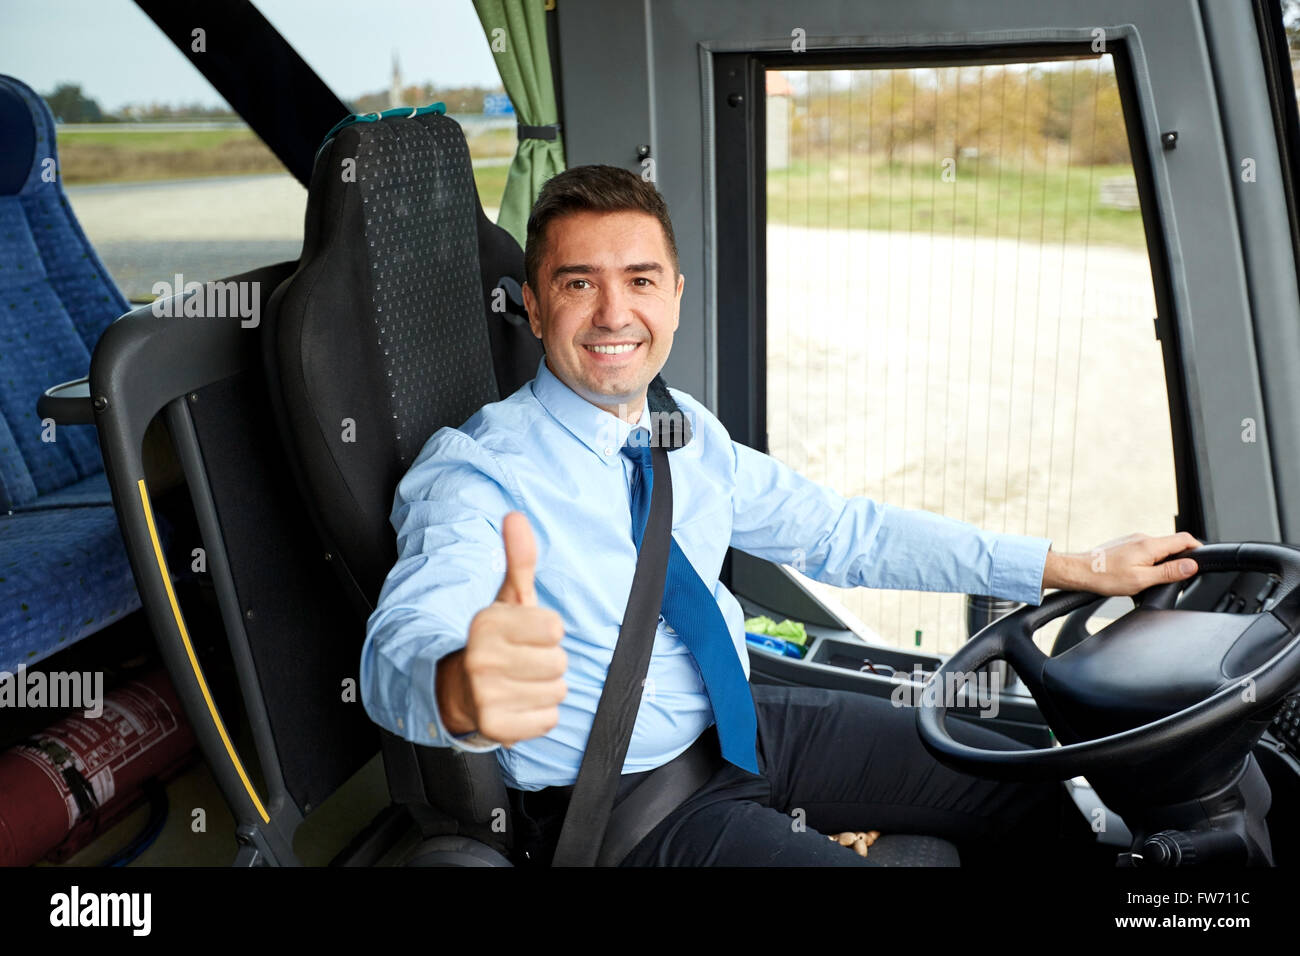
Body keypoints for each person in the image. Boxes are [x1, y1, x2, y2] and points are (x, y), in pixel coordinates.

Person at [359, 164, 1203, 866]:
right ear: (536, 307)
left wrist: (1069, 567)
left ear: (675, 298)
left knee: (1017, 782)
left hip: (744, 728)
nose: (615, 314)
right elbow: (405, 636)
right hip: (625, 806)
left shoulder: (681, 430)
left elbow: (844, 533)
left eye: (640, 281)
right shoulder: (477, 472)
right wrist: (456, 685)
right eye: (579, 284)